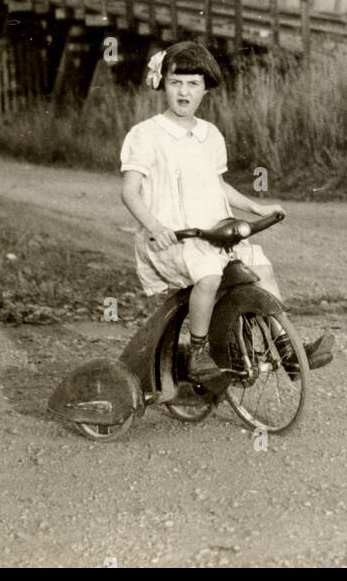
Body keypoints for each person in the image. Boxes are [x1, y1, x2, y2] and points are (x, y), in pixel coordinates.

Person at [119, 40, 333, 380]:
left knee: (262, 269)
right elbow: (129, 191)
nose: (184, 92)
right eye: (176, 83)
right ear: (163, 85)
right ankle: (199, 350)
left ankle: (288, 351)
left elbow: (217, 185)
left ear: (205, 90)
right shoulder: (146, 135)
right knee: (209, 276)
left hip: (213, 233)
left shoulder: (210, 135)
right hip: (174, 239)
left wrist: (254, 206)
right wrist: (155, 227)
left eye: (193, 84)